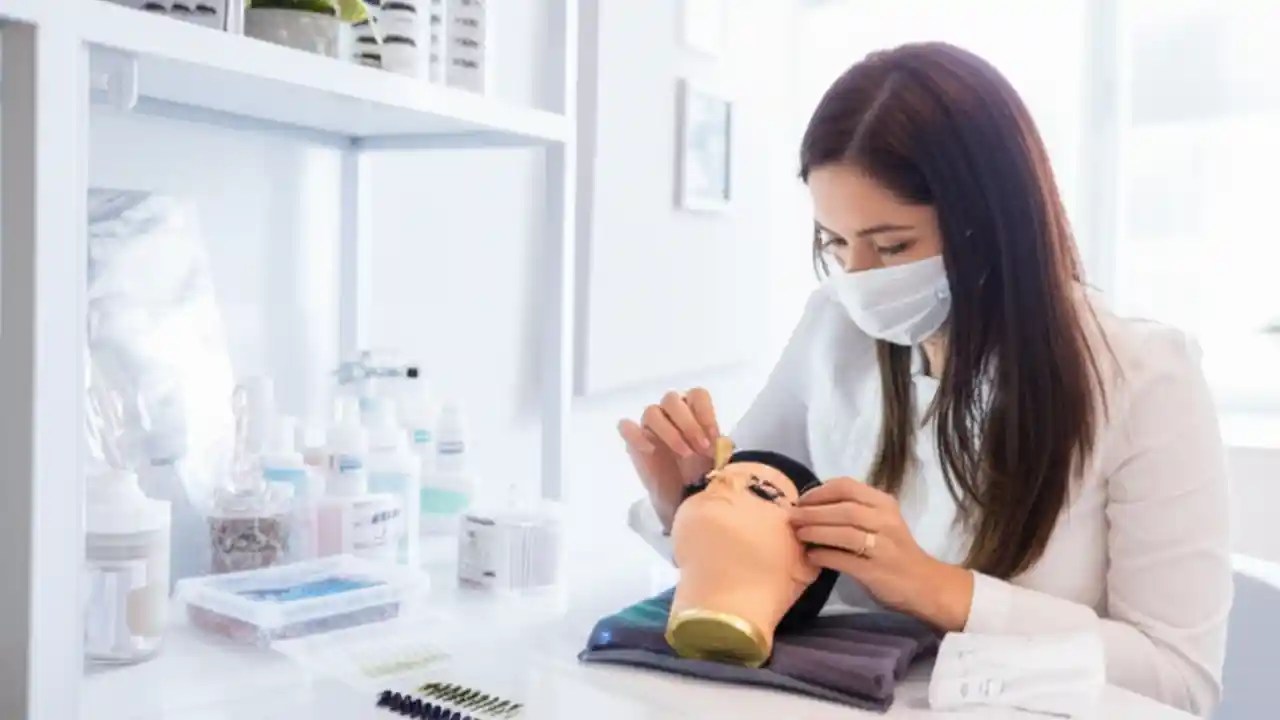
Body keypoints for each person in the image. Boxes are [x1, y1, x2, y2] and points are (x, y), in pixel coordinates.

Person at [618, 42, 1231, 717]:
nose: (859, 279)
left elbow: (1179, 681)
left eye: (892, 247)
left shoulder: (1146, 377)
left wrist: (937, 589)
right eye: (833, 243)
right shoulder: (833, 326)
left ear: (991, 225)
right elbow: (748, 559)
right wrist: (692, 503)